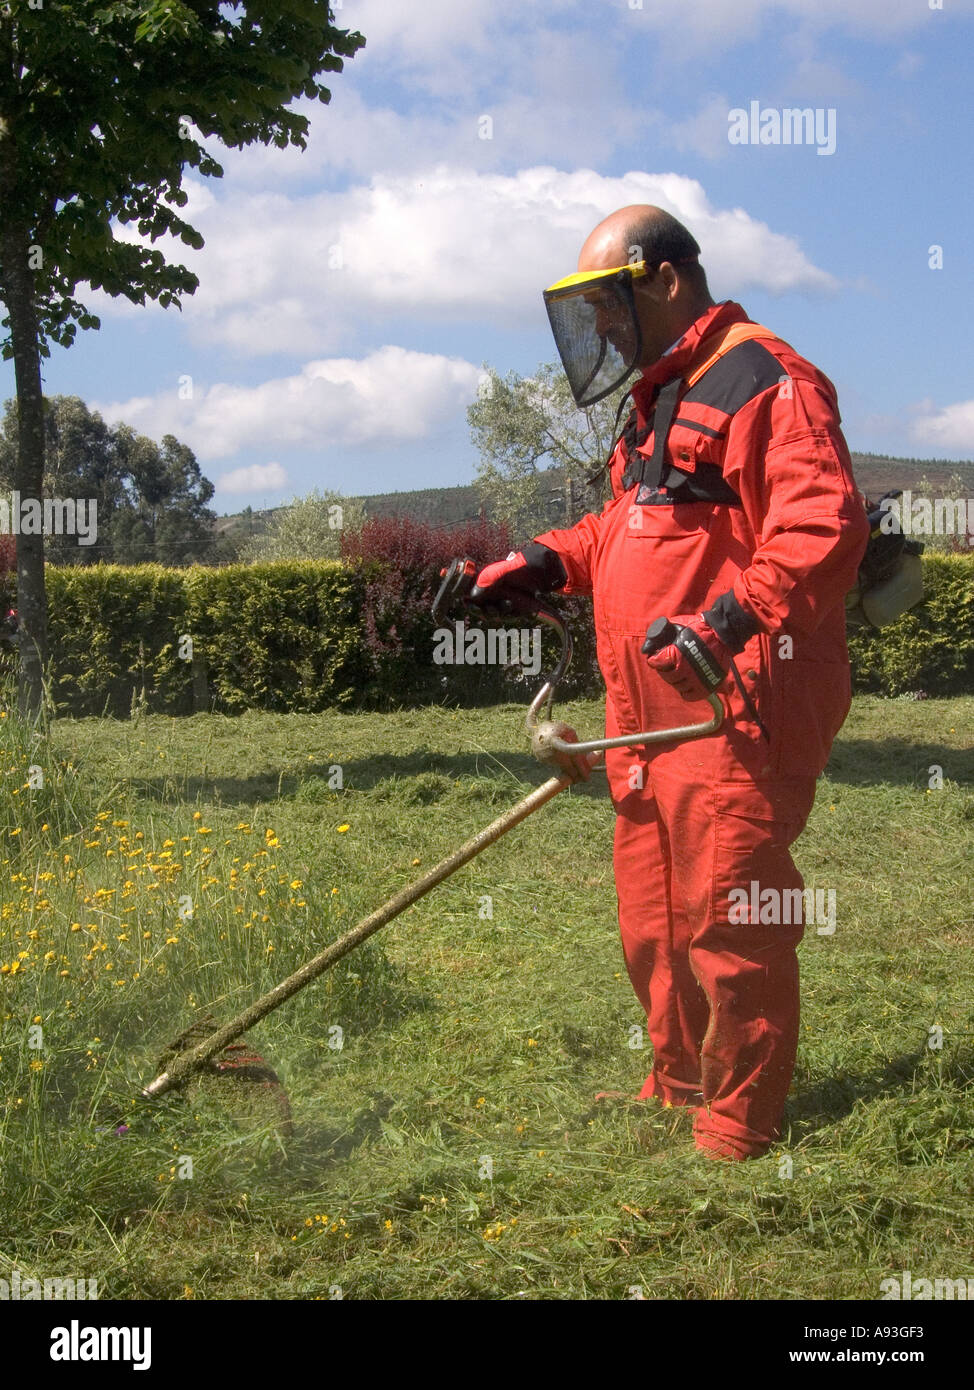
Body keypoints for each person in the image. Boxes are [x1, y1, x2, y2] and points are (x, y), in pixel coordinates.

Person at [471, 205, 870, 1161]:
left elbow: (823, 526)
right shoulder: (660, 397)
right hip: (648, 718)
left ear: (664, 279)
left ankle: (737, 1122)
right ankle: (681, 1079)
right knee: (655, 916)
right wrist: (546, 559)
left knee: (732, 911)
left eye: (610, 305)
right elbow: (630, 528)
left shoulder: (765, 378)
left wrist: (728, 622)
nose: (603, 330)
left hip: (733, 705)